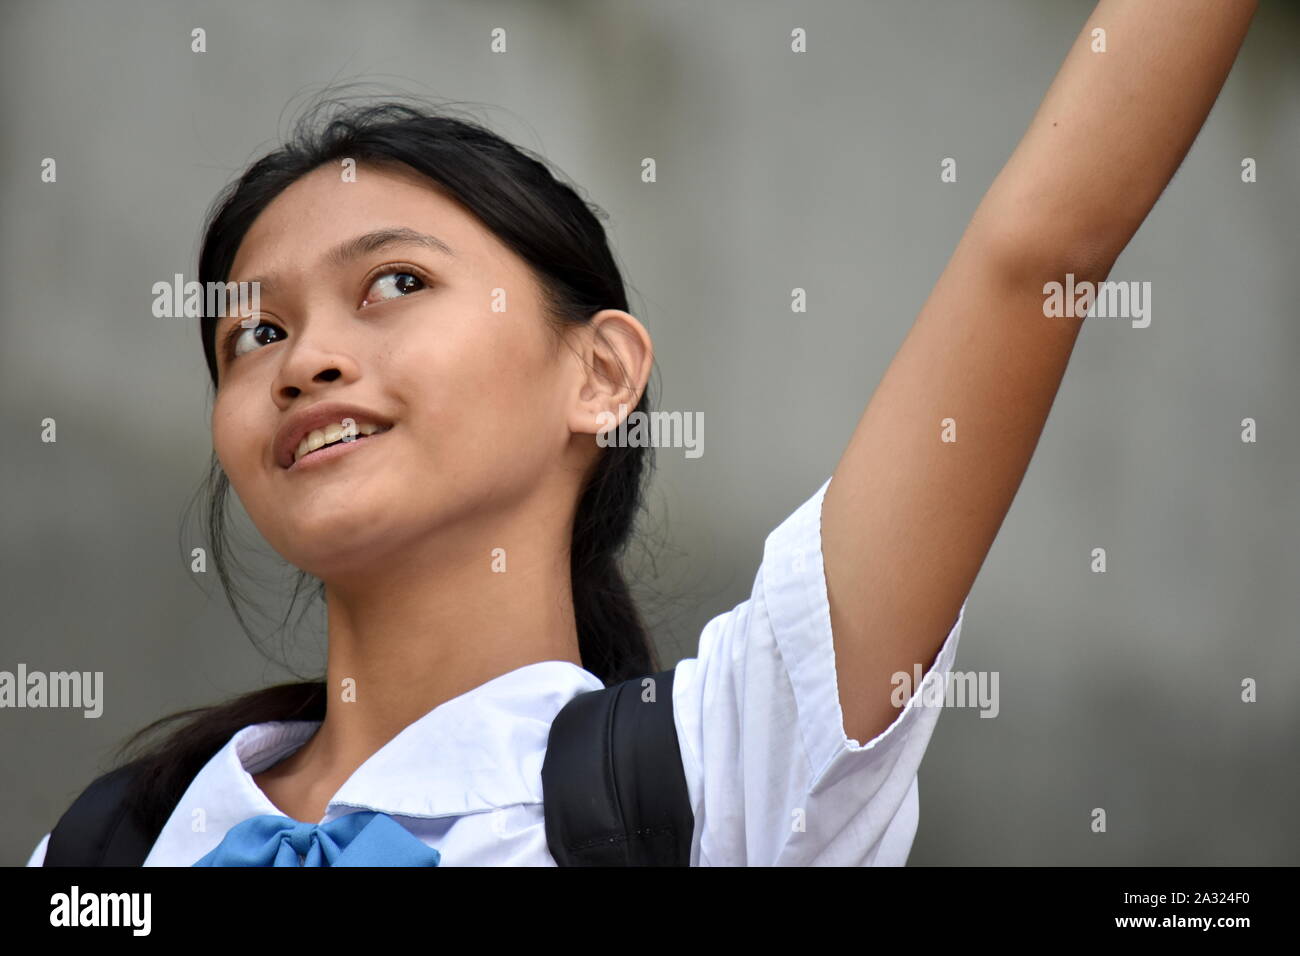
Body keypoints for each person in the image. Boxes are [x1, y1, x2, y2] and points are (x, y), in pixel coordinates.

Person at [27, 0, 1258, 866]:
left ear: (599, 371)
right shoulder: (114, 843)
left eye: (395, 283)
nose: (308, 360)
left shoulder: (728, 770)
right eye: (253, 335)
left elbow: (1038, 251)